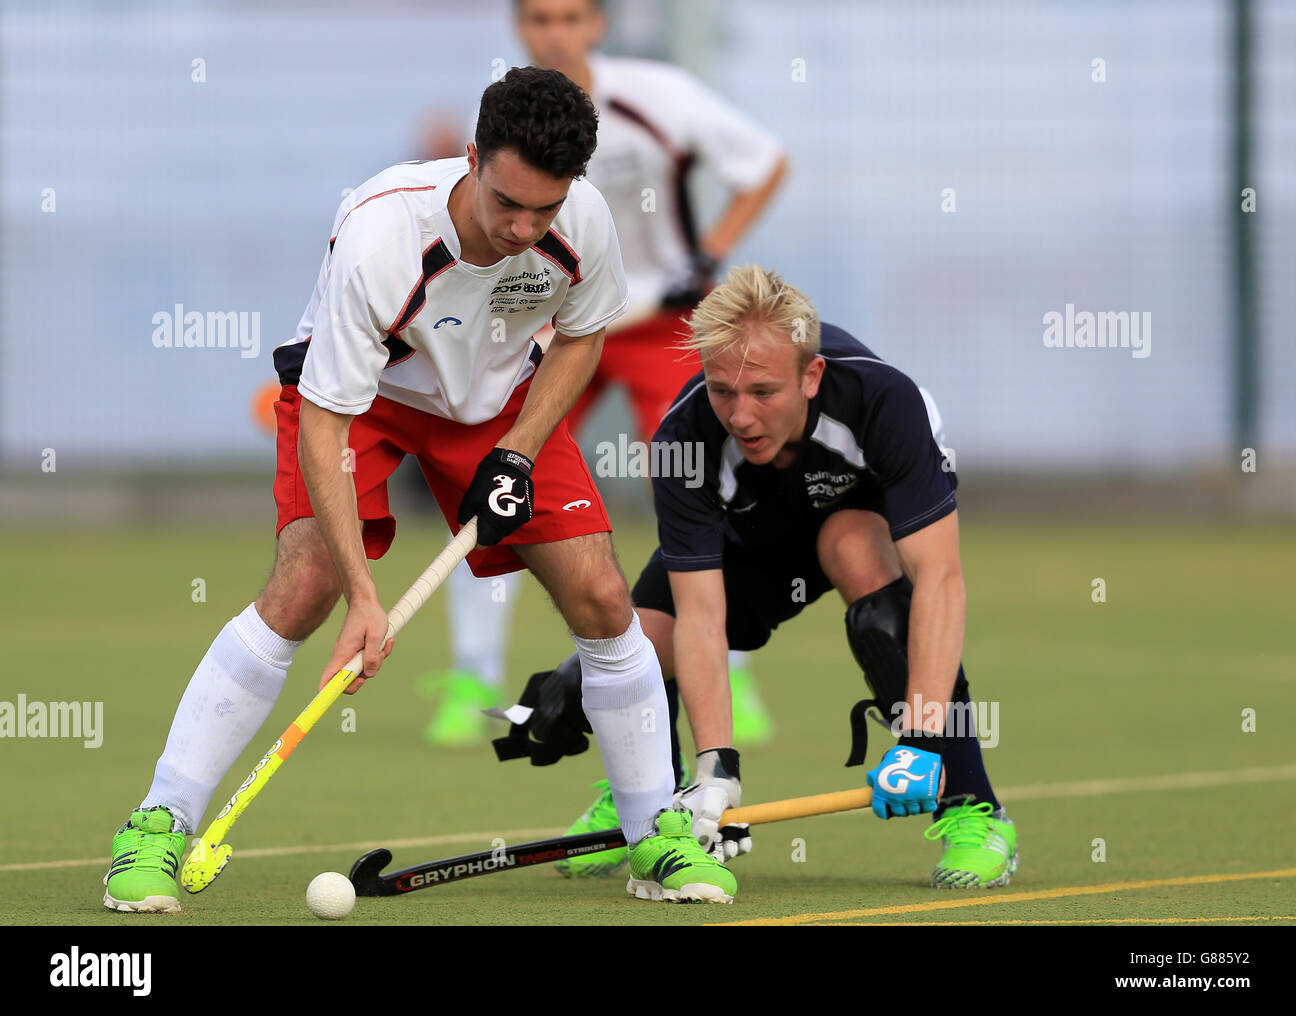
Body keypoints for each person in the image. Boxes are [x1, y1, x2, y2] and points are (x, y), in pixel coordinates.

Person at [102, 67, 738, 912]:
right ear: (471, 157)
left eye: (542, 210)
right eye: (505, 201)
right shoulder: (381, 237)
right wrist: (366, 600)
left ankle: (654, 829)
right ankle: (156, 828)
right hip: (365, 399)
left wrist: (515, 451)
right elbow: (326, 423)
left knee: (601, 593)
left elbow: (582, 336)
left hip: (499, 400)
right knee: (304, 588)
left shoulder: (579, 222)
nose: (522, 228)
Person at [497, 265, 1019, 888]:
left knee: (853, 546)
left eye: (763, 393)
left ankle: (974, 809)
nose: (740, 416)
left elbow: (939, 579)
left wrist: (924, 736)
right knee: (636, 646)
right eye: (722, 391)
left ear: (811, 375)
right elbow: (701, 616)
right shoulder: (683, 438)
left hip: (853, 529)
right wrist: (718, 770)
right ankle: (651, 796)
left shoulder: (885, 403)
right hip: (748, 544)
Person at [426, 0, 788, 829]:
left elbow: (764, 161)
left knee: (699, 492)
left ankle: (727, 671)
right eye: (538, 18)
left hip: (658, 322)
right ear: (520, 28)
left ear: (597, 25)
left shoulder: (658, 95)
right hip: (550, 329)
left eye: (571, 16)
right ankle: (471, 679)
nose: (554, 32)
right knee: (496, 485)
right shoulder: (508, 115)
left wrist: (710, 253)